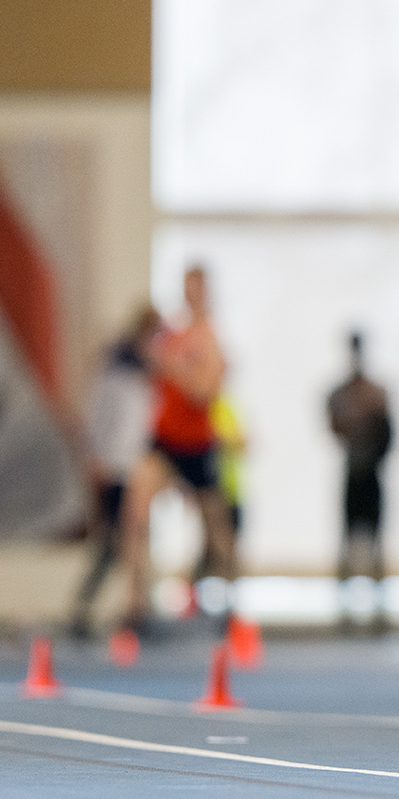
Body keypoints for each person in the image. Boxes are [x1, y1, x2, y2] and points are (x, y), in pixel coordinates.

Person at [118, 265, 238, 632]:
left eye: (197, 288)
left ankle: (232, 607)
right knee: (135, 511)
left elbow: (205, 392)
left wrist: (176, 370)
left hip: (198, 444)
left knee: (218, 531)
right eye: (187, 288)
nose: (191, 295)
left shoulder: (212, 340)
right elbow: (152, 368)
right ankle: (135, 607)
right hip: (165, 440)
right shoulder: (173, 333)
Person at [68, 305, 161, 640]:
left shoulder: (152, 375)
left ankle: (138, 611)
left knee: (138, 538)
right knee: (110, 543)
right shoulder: (115, 370)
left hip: (138, 468)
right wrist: (95, 459)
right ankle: (83, 607)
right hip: (114, 466)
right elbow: (96, 418)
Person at [326, 331, 393, 626]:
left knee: (375, 541)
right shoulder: (343, 395)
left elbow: (390, 435)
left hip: (371, 475)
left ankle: (378, 610)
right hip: (353, 474)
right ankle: (345, 609)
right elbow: (334, 425)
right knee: (348, 541)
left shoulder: (375, 394)